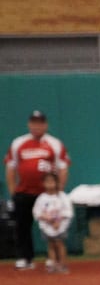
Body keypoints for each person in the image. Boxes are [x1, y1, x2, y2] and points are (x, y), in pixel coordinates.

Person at [5, 111, 71, 271]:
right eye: (34, 122)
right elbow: (10, 167)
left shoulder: (54, 143)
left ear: (45, 125)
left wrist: (58, 191)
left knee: (50, 225)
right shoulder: (18, 143)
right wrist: (13, 190)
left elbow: (63, 167)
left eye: (40, 123)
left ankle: (52, 259)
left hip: (47, 193)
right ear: (29, 124)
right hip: (24, 191)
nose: (37, 126)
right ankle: (25, 258)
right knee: (22, 225)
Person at [32, 171, 73, 275]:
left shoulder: (63, 197)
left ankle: (62, 265)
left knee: (60, 244)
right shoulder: (41, 198)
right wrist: (47, 219)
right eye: (47, 181)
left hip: (60, 227)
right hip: (47, 227)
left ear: (57, 183)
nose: (50, 184)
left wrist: (58, 221)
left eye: (52, 181)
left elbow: (68, 211)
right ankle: (53, 265)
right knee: (50, 245)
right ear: (43, 183)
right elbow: (37, 212)